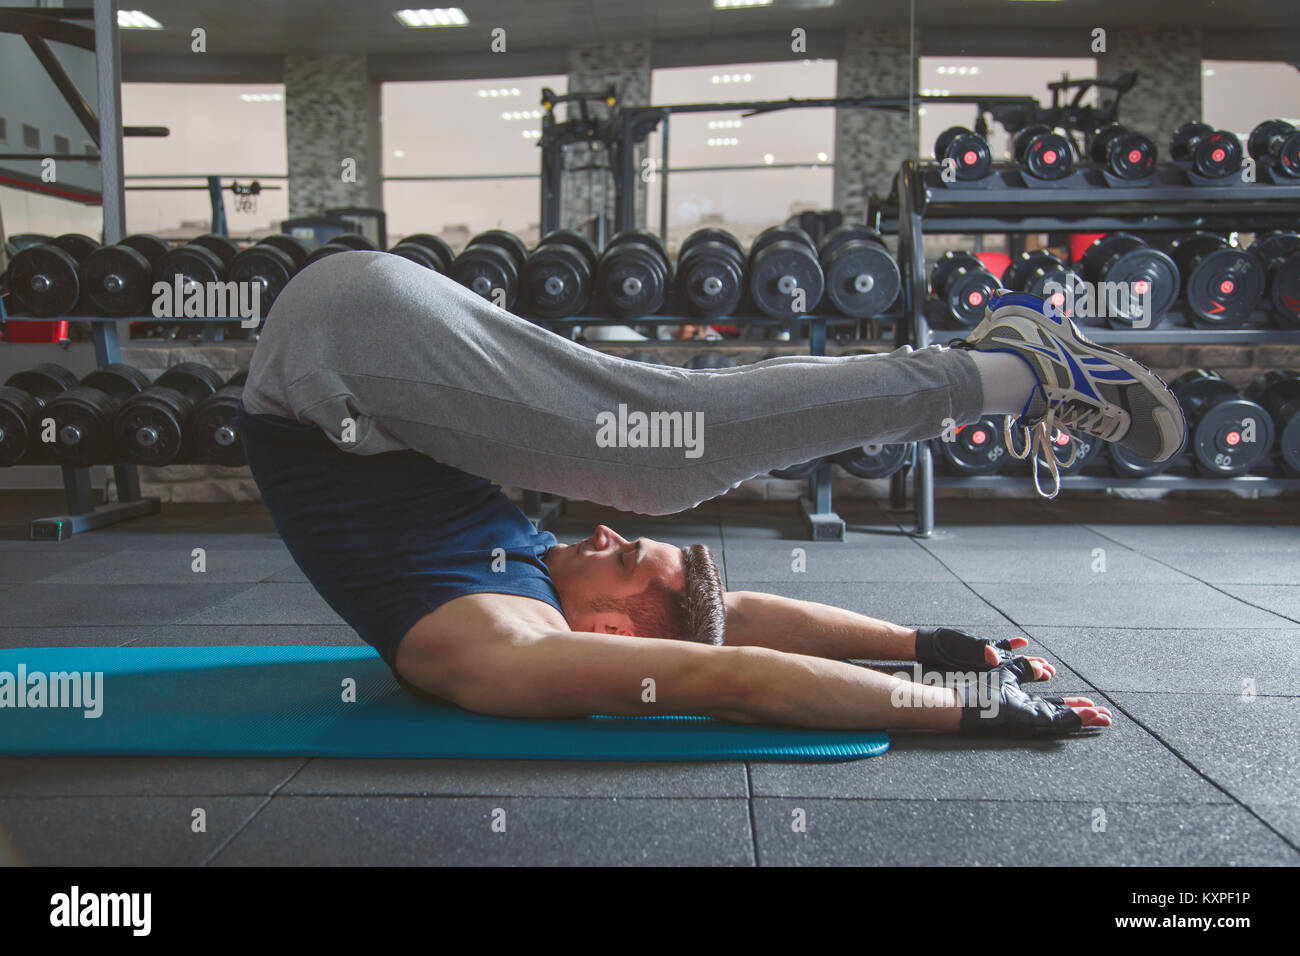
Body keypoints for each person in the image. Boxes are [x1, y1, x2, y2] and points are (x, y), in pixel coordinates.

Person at [238, 251, 1184, 737]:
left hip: (339, 366)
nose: (602, 535)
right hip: (354, 360)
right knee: (667, 438)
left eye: (618, 559)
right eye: (621, 551)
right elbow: (734, 625)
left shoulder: (501, 646)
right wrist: (938, 658)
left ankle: (1004, 374)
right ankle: (1002, 372)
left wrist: (967, 712)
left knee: (668, 456)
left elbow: (731, 672)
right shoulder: (530, 603)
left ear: (610, 640)